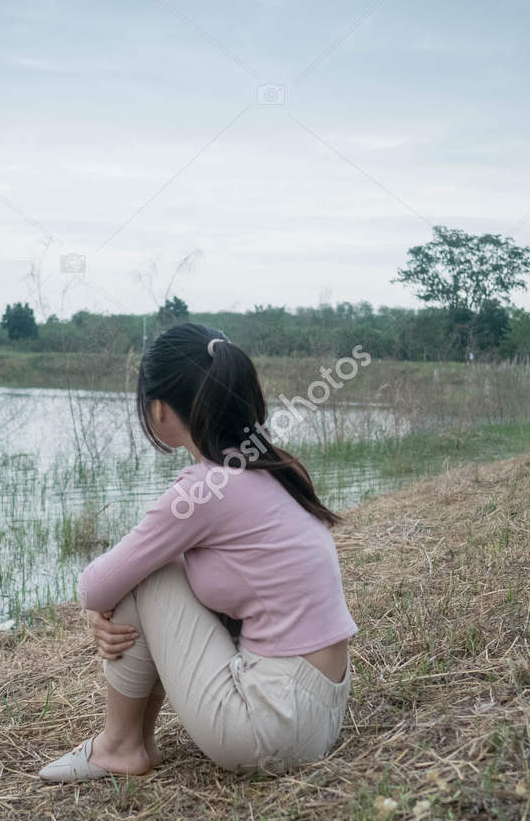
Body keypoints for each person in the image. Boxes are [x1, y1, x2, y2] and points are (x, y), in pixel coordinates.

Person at [38, 323, 356, 782]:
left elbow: (96, 585)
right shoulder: (276, 465)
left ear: (159, 408)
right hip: (319, 712)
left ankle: (120, 746)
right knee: (158, 567)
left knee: (148, 574)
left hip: (271, 729)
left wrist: (97, 608)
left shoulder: (204, 489)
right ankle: (127, 743)